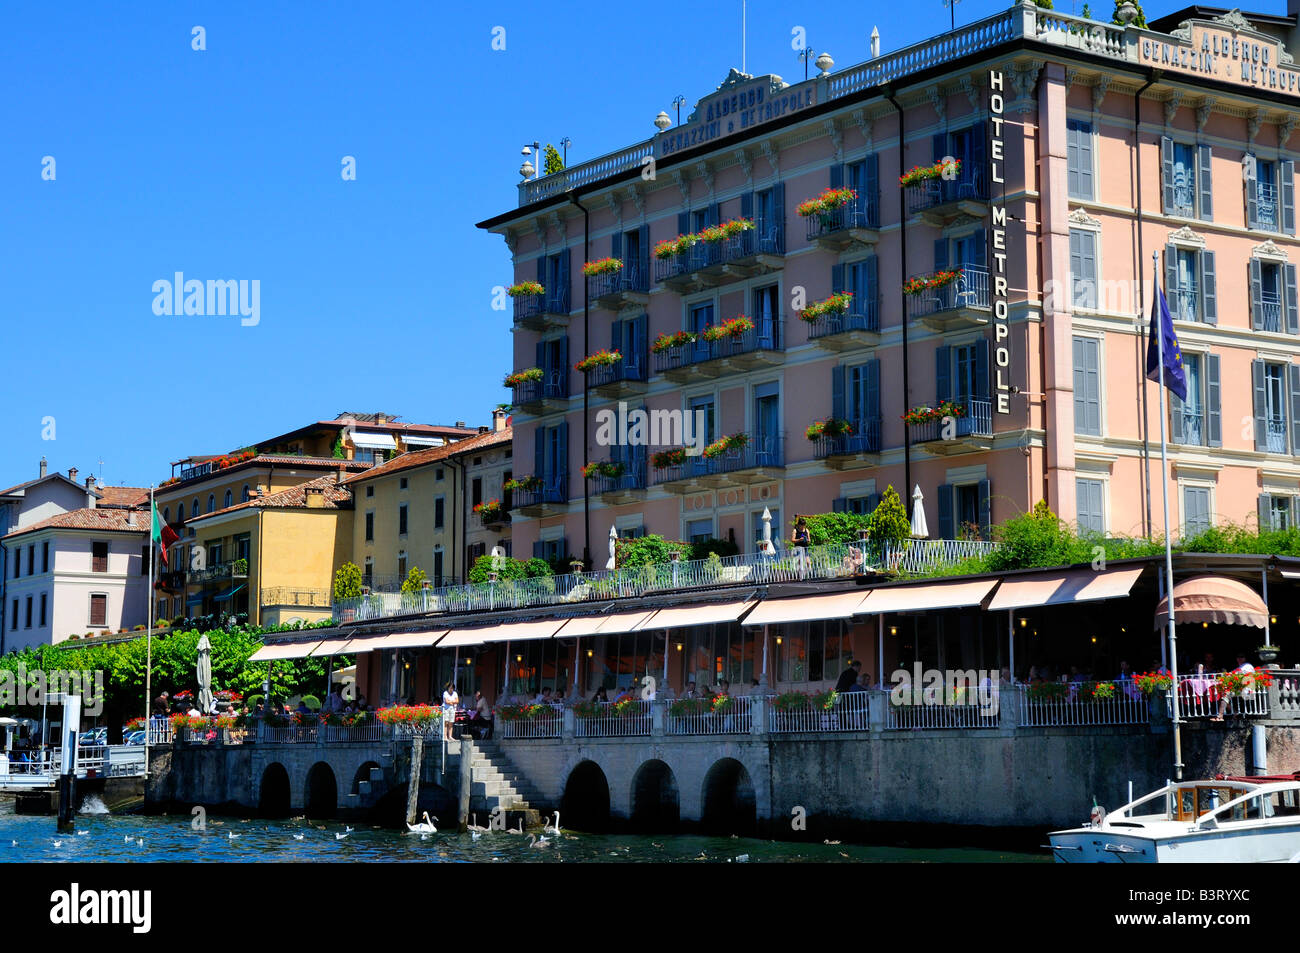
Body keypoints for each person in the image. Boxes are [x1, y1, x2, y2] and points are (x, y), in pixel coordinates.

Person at [1213, 655, 1255, 721]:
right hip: (1239, 688)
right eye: (1238, 657)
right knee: (1220, 693)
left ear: (1245, 658)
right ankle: (1233, 712)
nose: (1239, 659)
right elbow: (1231, 674)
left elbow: (1236, 675)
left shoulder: (1247, 666)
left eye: (1242, 657)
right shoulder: (1240, 666)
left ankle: (1220, 716)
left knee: (1225, 694)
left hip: (1246, 689)